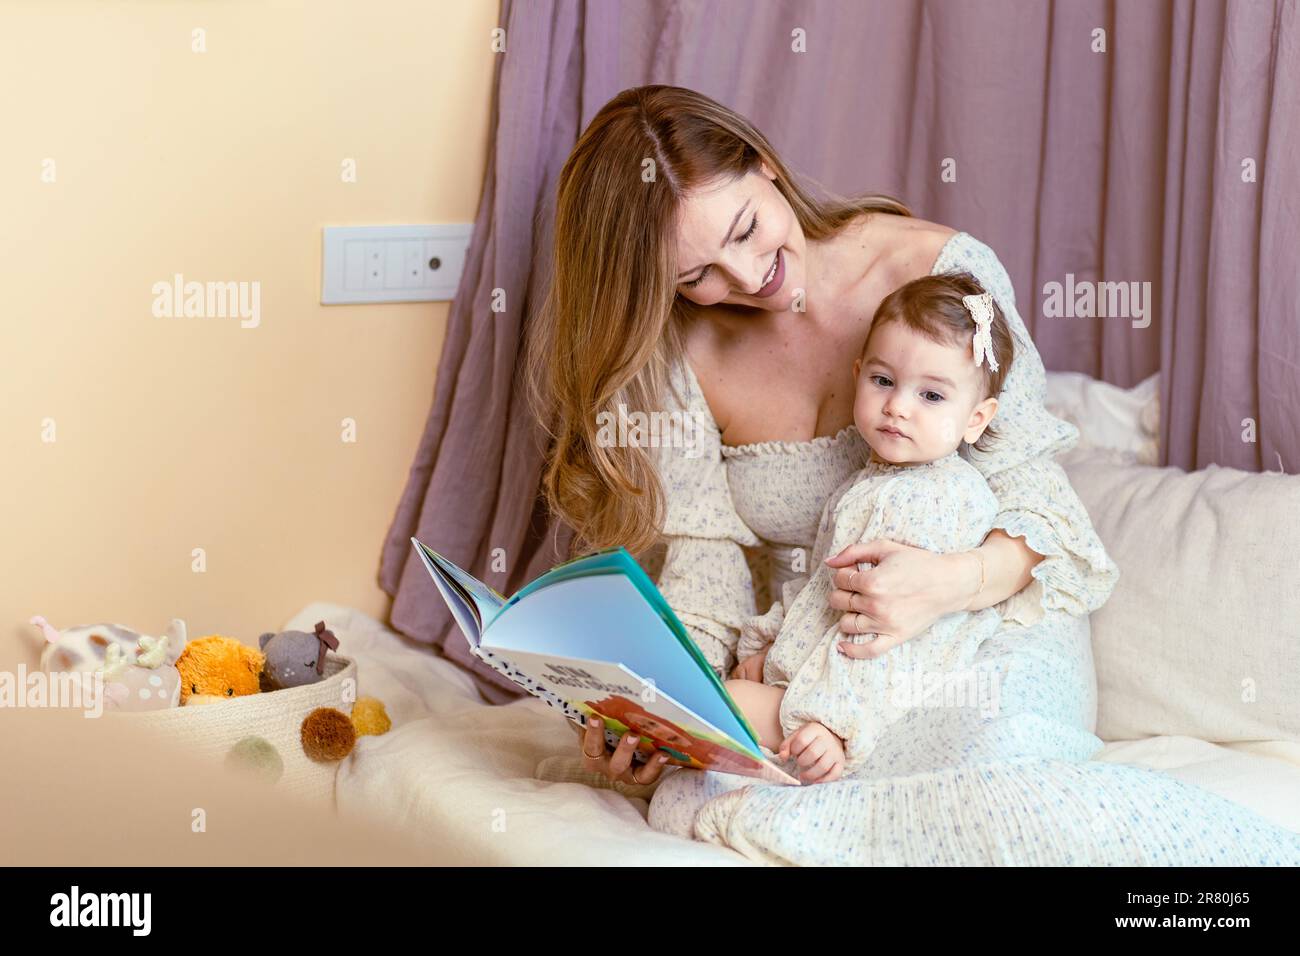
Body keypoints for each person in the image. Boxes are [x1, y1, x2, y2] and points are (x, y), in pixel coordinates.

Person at [723, 272, 1017, 784]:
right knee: (701, 724)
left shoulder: (941, 501)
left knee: (711, 707)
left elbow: (895, 642)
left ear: (976, 418)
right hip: (815, 686)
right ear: (858, 375)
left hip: (859, 710)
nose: (898, 406)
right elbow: (821, 591)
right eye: (883, 381)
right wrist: (767, 645)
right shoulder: (866, 484)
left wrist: (833, 725)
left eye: (931, 396)